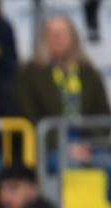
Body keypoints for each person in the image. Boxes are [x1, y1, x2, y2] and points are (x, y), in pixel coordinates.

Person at [16, 14, 110, 163]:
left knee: (105, 163)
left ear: (73, 37)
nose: (57, 38)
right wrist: (62, 145)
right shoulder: (31, 73)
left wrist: (88, 145)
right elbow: (28, 118)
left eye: (62, 33)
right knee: (71, 164)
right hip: (48, 147)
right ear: (44, 39)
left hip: (88, 145)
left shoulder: (88, 72)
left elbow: (102, 116)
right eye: (52, 34)